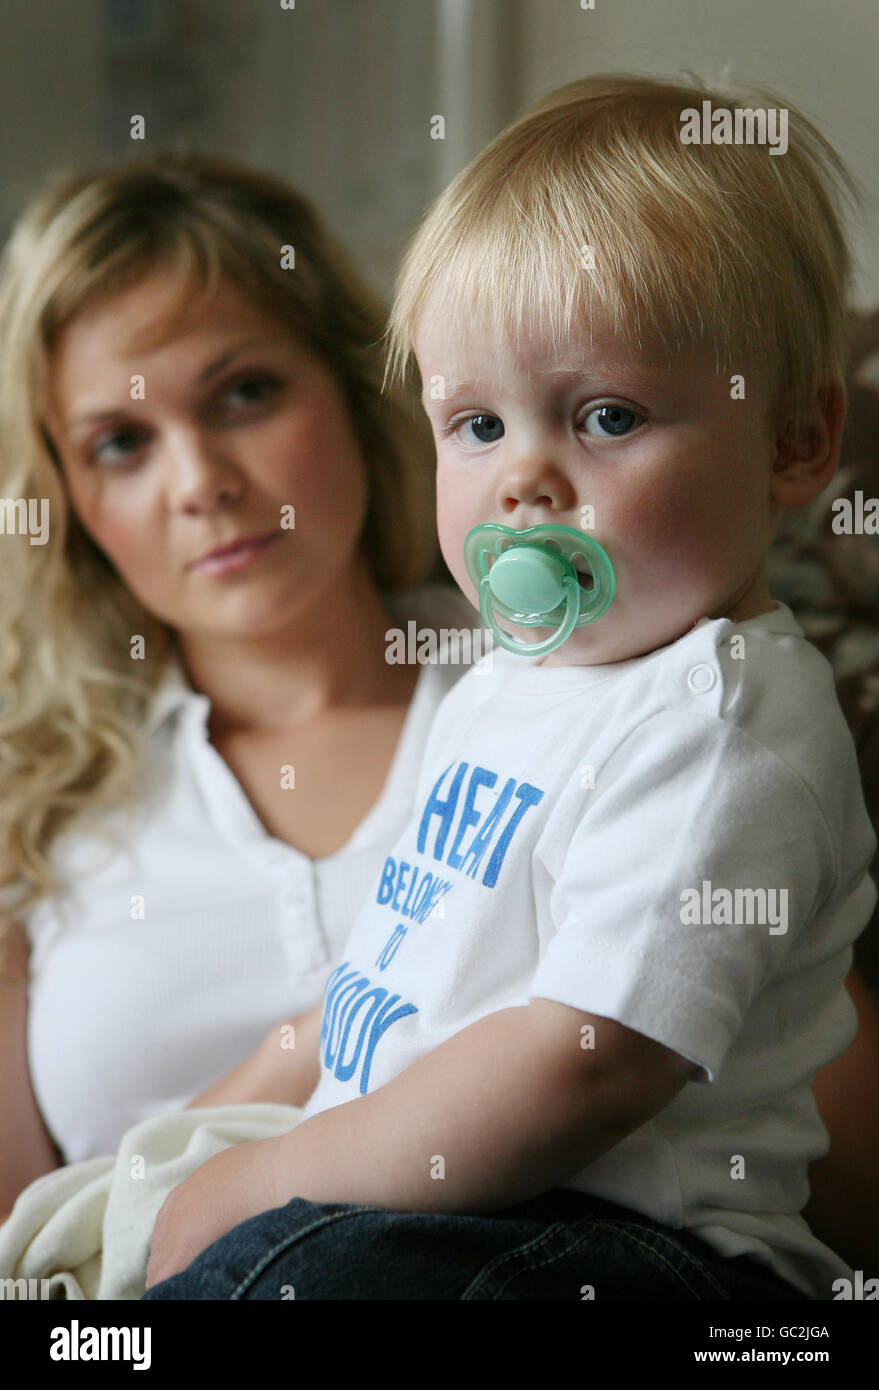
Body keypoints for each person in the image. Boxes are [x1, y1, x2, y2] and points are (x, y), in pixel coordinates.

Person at [142, 73, 877, 1301]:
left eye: (604, 414)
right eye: (476, 426)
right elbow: (377, 984)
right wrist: (186, 1149)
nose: (525, 480)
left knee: (292, 1277)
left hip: (630, 1245)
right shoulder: (508, 684)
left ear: (796, 442)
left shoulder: (718, 719)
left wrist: (278, 1180)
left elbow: (583, 1059)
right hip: (438, 1209)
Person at [0, 151, 478, 1214]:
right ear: (71, 500)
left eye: (246, 392)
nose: (201, 482)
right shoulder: (25, 806)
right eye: (122, 443)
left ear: (353, 392)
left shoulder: (570, 683)